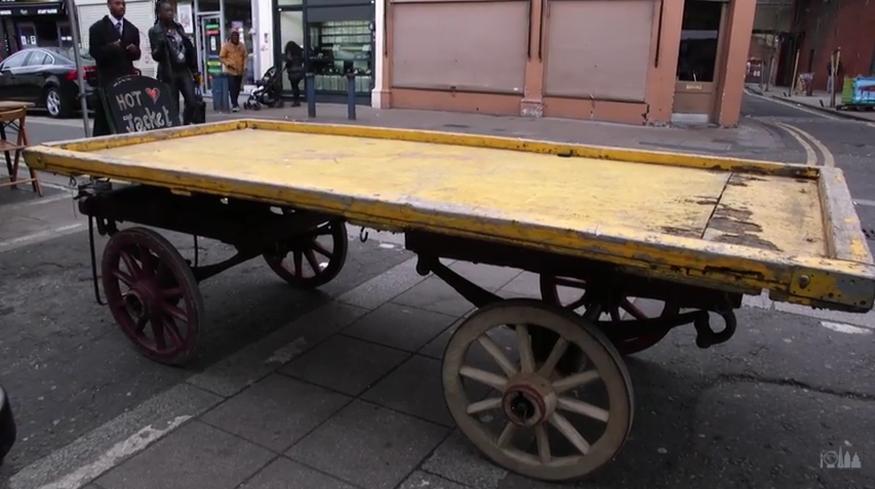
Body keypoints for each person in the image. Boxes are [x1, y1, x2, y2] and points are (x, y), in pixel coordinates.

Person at [88, 0, 141, 136]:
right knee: (105, 117)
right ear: (109, 5)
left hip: (127, 81)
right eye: (117, 3)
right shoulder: (97, 28)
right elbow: (94, 52)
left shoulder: (132, 29)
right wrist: (111, 48)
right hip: (107, 80)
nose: (122, 7)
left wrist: (135, 50)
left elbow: (137, 56)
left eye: (123, 4)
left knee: (126, 116)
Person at [149, 0, 199, 124]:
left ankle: (186, 123)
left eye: (172, 10)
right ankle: (176, 129)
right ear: (159, 13)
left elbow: (188, 48)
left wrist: (194, 70)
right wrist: (160, 46)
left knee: (192, 101)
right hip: (169, 72)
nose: (171, 13)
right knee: (173, 106)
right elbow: (156, 56)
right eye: (167, 10)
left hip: (183, 71)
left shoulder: (178, 27)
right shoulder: (155, 31)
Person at [220, 30, 247, 112]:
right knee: (232, 88)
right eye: (234, 37)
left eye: (237, 37)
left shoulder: (241, 46)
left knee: (237, 88)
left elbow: (245, 56)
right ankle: (234, 104)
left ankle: (235, 102)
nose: (235, 39)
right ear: (231, 38)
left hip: (239, 70)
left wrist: (245, 66)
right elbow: (221, 57)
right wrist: (227, 63)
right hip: (230, 71)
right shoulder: (226, 46)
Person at [284, 41, 304, 107]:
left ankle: (296, 101)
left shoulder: (290, 52)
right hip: (299, 71)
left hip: (293, 72)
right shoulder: (299, 52)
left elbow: (289, 61)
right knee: (296, 86)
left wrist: (286, 65)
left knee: (294, 87)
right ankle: (297, 100)